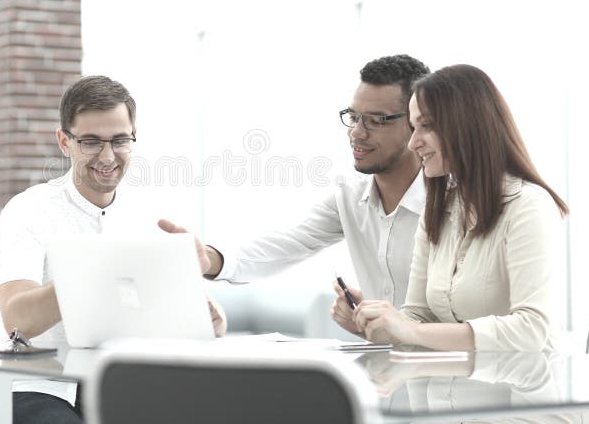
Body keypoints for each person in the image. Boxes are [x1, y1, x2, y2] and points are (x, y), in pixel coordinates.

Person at [0, 75, 226, 424]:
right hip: (24, 385)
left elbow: (155, 320)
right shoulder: (28, 209)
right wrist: (96, 274)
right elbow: (19, 321)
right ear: (65, 142)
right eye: (91, 142)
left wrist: (202, 319)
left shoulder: (148, 217)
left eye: (120, 140)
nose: (107, 156)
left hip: (113, 385)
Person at [162, 54, 430, 317]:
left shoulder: (448, 201)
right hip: (380, 347)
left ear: (416, 122)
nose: (356, 132)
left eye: (376, 120)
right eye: (353, 117)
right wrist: (209, 259)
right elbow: (284, 245)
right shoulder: (350, 198)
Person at [334, 65, 568, 352]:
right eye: (413, 126)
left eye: (426, 126)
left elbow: (531, 329)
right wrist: (372, 322)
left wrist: (410, 330)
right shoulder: (438, 210)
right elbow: (419, 317)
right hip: (455, 379)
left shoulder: (528, 206)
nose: (413, 142)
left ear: (468, 126)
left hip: (524, 380)